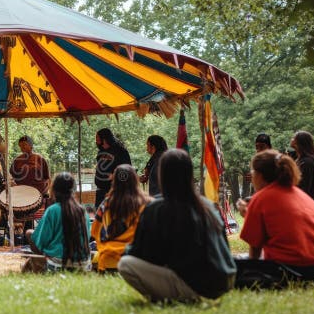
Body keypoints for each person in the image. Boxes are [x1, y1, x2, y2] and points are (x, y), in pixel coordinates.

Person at [118, 149, 236, 302]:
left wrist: (124, 249)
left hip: (197, 288)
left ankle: (171, 296)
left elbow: (140, 253)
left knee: (126, 264)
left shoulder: (157, 208)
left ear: (162, 175)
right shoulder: (209, 207)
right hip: (223, 283)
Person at [234, 150, 314, 289]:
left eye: (252, 172)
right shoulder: (303, 197)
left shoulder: (261, 198)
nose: (251, 176)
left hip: (283, 273)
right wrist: (309, 258)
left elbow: (255, 251)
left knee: (229, 265)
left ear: (260, 175)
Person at [24, 172, 92, 272]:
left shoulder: (52, 210)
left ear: (54, 190)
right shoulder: (82, 211)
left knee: (29, 233)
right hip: (83, 264)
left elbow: (41, 241)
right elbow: (87, 237)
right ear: (73, 190)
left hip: (58, 264)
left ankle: (39, 267)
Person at [92, 165, 151, 272]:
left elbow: (95, 231)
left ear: (114, 182)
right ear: (135, 181)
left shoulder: (106, 204)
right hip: (136, 260)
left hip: (108, 261)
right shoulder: (146, 204)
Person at [94, 128, 131, 208]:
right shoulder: (100, 151)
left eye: (97, 137)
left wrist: (115, 175)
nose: (95, 139)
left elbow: (128, 170)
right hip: (100, 191)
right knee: (99, 217)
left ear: (104, 138)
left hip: (115, 191)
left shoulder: (121, 151)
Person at [291, 130, 314, 205]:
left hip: (307, 207)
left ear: (299, 142)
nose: (291, 139)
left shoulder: (307, 163)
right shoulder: (300, 160)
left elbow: (304, 189)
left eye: (293, 138)